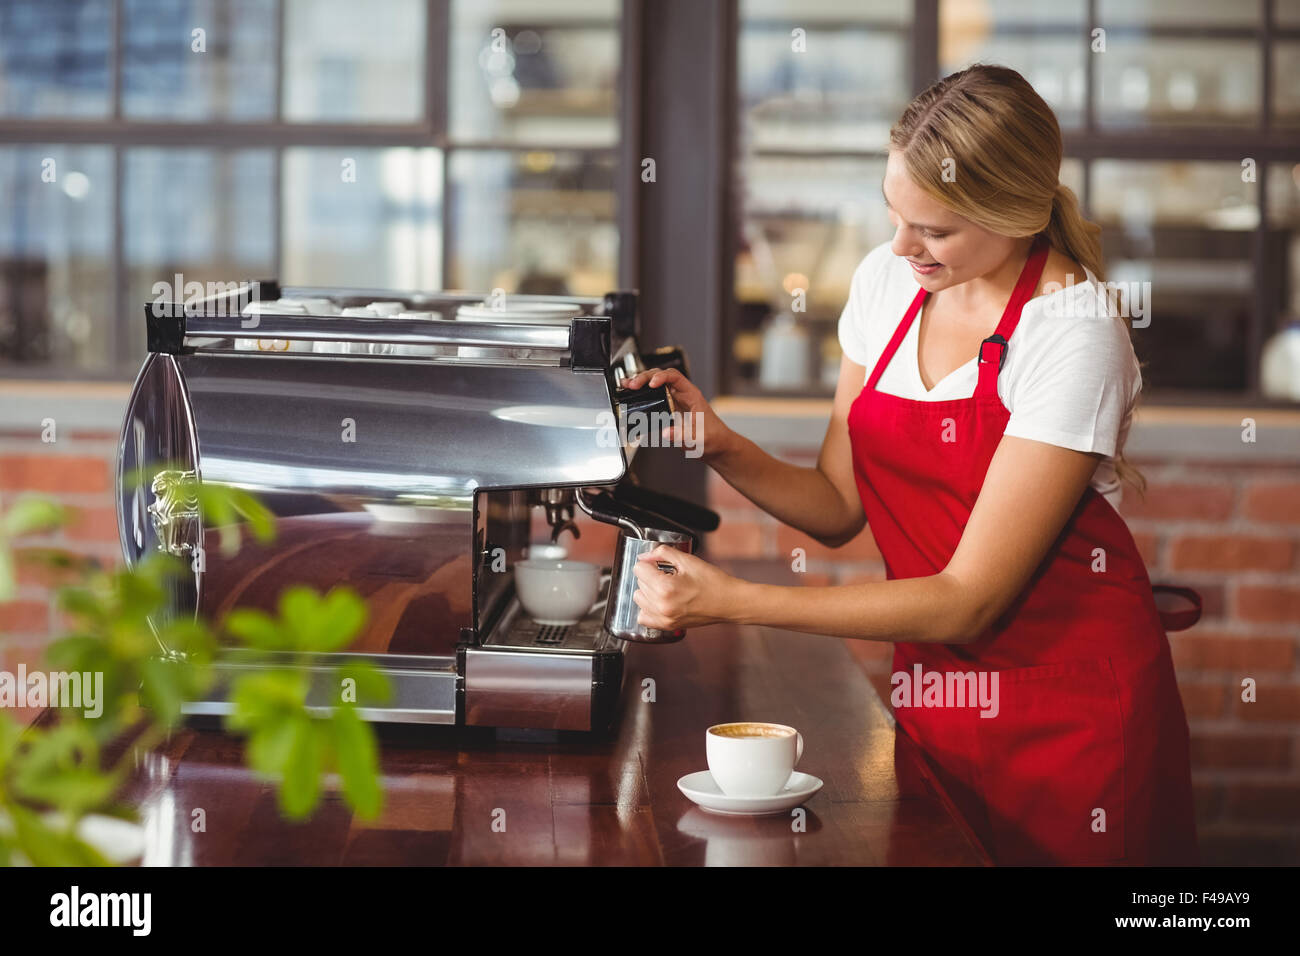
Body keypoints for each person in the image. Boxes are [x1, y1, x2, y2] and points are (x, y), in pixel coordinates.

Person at [619, 63, 1198, 866]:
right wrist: (719, 442)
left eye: (935, 228)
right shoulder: (889, 283)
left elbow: (966, 601)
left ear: (1018, 212)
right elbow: (834, 504)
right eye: (896, 214)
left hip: (1072, 712)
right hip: (935, 695)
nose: (902, 246)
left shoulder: (1073, 332)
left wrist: (735, 599)